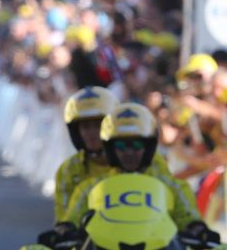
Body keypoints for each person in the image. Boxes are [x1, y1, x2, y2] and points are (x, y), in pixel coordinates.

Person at [62, 103, 209, 237]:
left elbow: (189, 217)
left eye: (137, 145)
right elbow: (70, 221)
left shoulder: (175, 187)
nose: (129, 152)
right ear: (110, 150)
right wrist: (62, 232)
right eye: (121, 146)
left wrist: (199, 231)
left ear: (149, 148)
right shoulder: (88, 188)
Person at [52, 87, 118, 224]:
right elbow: (64, 222)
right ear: (76, 132)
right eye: (85, 126)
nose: (91, 132)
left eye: (98, 125)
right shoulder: (68, 170)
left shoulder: (147, 161)